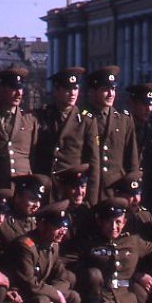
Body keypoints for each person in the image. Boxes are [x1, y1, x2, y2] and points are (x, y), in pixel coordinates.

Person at [3, 200, 82, 303]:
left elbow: (62, 277)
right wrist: (53, 295)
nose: (63, 231)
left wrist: (55, 294)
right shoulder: (25, 246)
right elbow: (28, 284)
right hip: (19, 295)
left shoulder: (53, 245)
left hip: (39, 293)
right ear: (41, 225)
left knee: (73, 297)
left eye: (64, 226)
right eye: (58, 226)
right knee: (42, 302)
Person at [32, 67, 100, 205]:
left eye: (75, 89)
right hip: (46, 189)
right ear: (56, 91)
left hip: (71, 190)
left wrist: (91, 200)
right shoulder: (43, 116)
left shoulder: (86, 120)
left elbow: (93, 162)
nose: (72, 93)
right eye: (68, 89)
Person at [82, 66, 139, 200]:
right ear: (93, 91)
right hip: (91, 191)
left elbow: (132, 160)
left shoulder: (124, 119)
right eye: (105, 90)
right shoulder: (83, 118)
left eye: (113, 89)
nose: (110, 94)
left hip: (117, 190)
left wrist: (132, 190)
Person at [0, 66, 38, 189]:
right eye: (14, 87)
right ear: (0, 88)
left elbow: (34, 156)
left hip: (23, 190)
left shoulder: (30, 120)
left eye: (21, 88)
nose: (19, 93)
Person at [126, 82, 152, 219]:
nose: (148, 109)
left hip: (150, 192)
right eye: (144, 104)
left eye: (151, 104)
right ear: (133, 104)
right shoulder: (123, 129)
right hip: (128, 192)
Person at [0, 174, 50, 249]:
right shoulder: (1, 223)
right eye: (33, 199)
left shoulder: (37, 223)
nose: (37, 205)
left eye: (39, 201)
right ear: (18, 197)